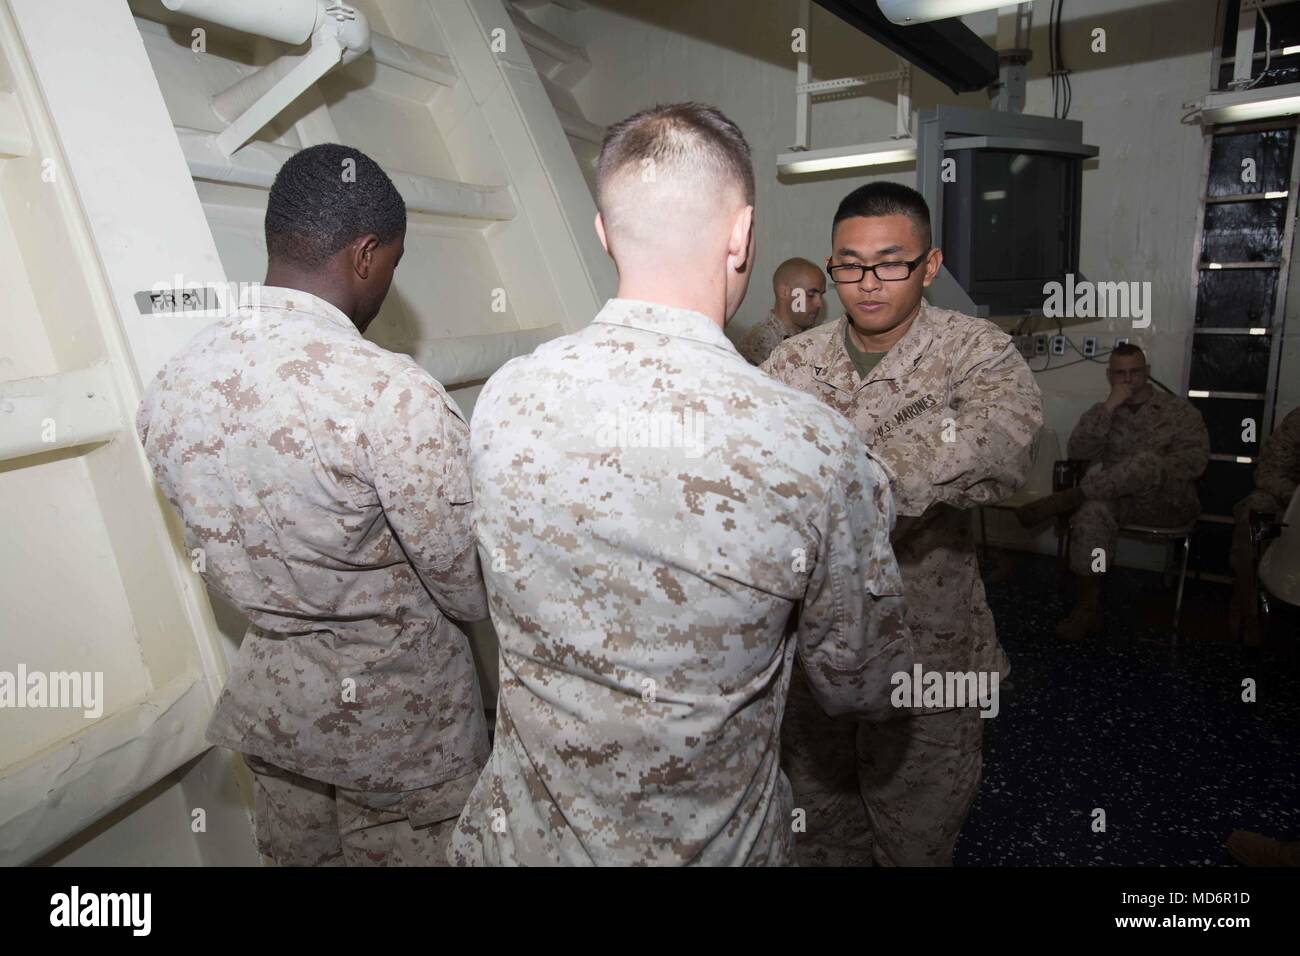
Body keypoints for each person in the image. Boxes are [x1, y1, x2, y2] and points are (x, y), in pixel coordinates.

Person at [450, 103, 912, 866]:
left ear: (604, 233)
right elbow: (862, 683)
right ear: (741, 235)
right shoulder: (811, 446)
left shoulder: (505, 398)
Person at [137, 144, 490, 866]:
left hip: (279, 718)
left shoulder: (172, 385)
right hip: (404, 734)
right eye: (393, 260)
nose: (391, 280)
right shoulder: (391, 394)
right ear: (364, 254)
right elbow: (470, 585)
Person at [762, 181, 1041, 866]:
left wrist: (854, 485)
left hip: (929, 644)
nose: (867, 282)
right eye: (849, 264)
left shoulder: (973, 351)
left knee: (917, 832)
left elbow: (1006, 442)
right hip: (815, 650)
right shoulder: (794, 363)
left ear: (931, 263)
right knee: (818, 828)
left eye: (891, 262)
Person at [1017, 344, 1209, 642]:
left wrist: (1148, 470)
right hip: (1120, 501)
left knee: (1145, 461)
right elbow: (1078, 451)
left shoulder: (1179, 411)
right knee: (1093, 513)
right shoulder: (1106, 411)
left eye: (1135, 372)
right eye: (1121, 374)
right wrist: (1108, 407)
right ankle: (1088, 605)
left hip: (1167, 500)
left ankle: (1067, 499)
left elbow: (1195, 462)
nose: (1128, 380)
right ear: (1110, 376)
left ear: (1147, 372)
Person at [1230, 406, 1300, 646]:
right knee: (1255, 512)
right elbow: (1269, 472)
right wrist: (1297, 498)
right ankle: (1251, 614)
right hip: (1293, 502)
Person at [736, 257, 826, 364]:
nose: (819, 303)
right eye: (811, 295)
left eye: (821, 295)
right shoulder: (757, 344)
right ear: (785, 292)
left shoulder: (818, 337)